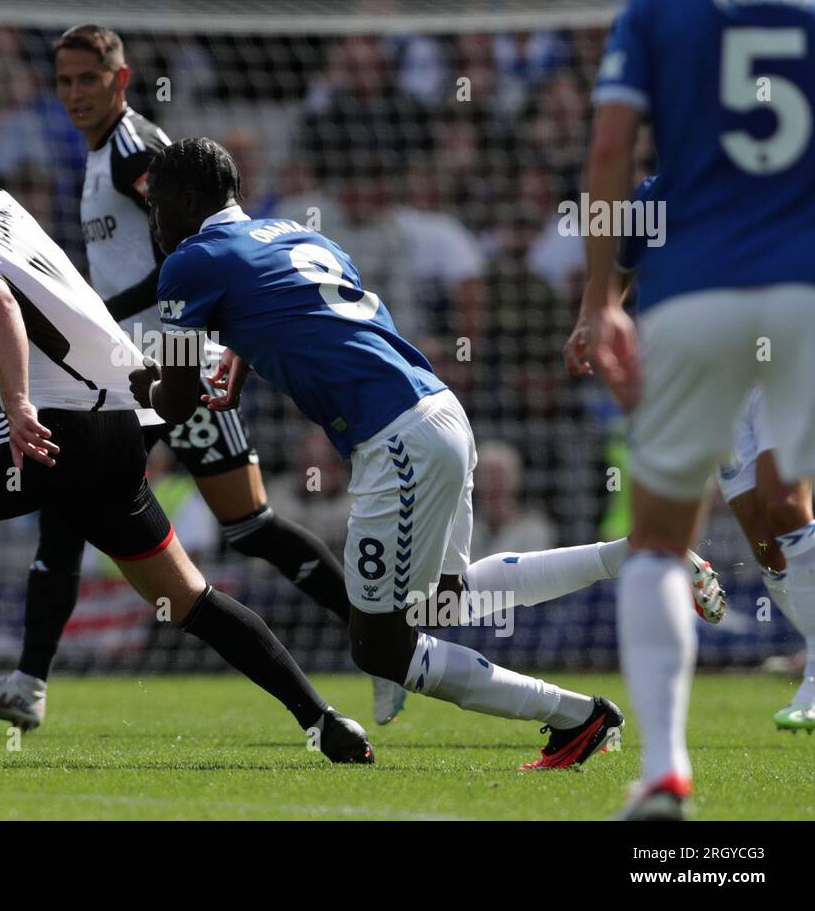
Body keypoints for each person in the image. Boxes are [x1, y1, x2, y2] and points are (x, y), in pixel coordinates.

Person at [0, 109, 373, 764]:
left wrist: (18, 402)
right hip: (122, 423)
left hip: (60, 426)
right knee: (190, 597)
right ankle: (323, 720)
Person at [135, 136, 636, 771]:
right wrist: (241, 356)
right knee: (443, 601)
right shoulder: (295, 234)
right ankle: (627, 556)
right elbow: (315, 314)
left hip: (394, 440)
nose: (153, 222)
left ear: (186, 198)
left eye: (155, 207)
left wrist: (144, 386)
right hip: (439, 411)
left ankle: (579, 716)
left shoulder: (189, 263)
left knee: (380, 647)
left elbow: (176, 401)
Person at [0, 25, 376, 728]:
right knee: (140, 519)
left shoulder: (137, 153)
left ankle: (380, 642)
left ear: (122, 79)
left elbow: (189, 247)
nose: (76, 93)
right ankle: (28, 682)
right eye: (65, 81)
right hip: (136, 373)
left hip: (165, 370)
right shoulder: (100, 155)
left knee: (245, 526)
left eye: (90, 79)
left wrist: (95, 315)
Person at [580, 0, 815, 817]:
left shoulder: (662, 0)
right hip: (805, 287)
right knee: (770, 513)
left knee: (661, 539)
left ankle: (666, 772)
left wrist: (603, 298)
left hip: (699, 295)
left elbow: (608, 152)